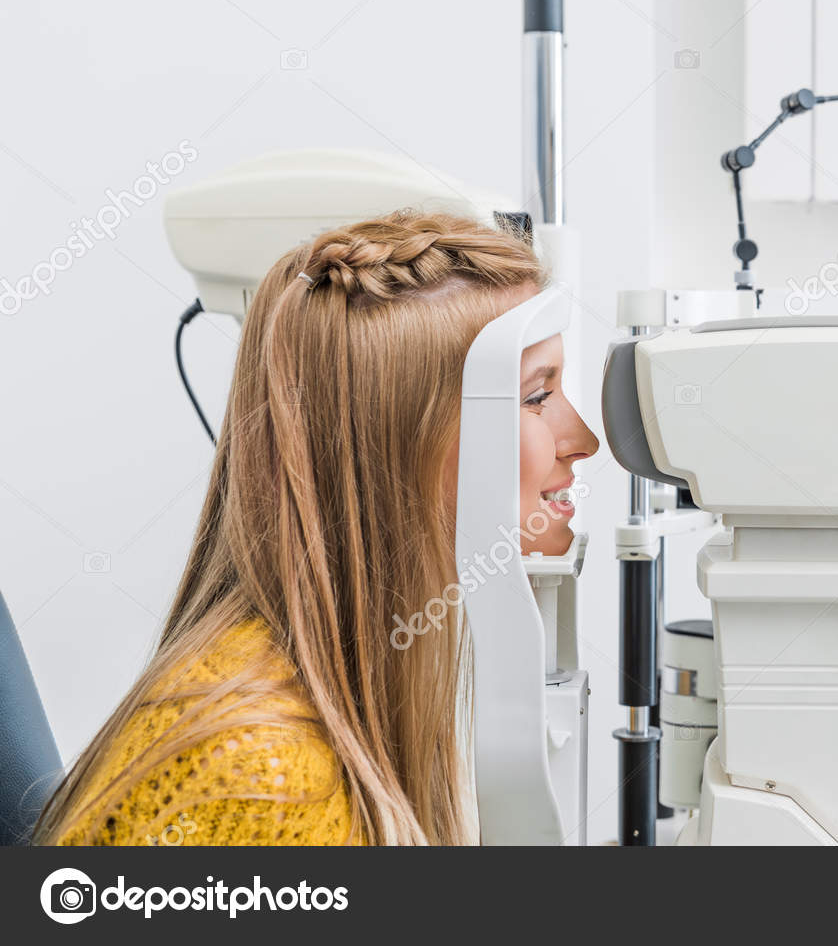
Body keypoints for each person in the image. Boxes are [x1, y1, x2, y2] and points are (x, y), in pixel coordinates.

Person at [35, 210, 599, 845]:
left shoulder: (369, 683)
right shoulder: (262, 782)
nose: (584, 441)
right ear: (389, 443)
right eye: (535, 397)